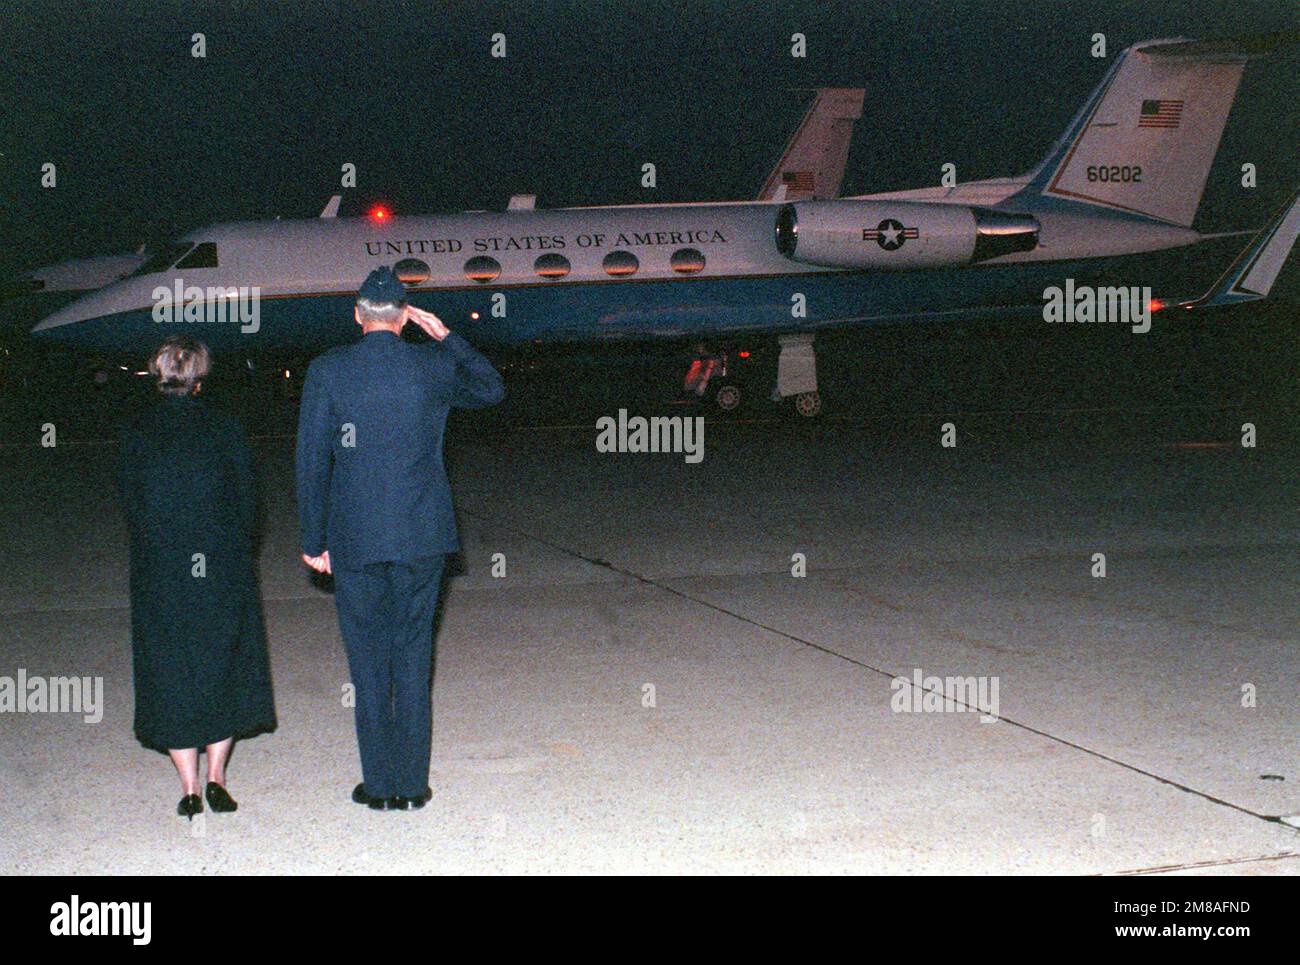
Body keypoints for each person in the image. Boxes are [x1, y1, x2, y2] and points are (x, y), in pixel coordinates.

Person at [296, 266, 504, 811]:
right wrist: (448, 337)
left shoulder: (328, 370)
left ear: (357, 313)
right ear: (405, 315)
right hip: (421, 535)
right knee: (413, 656)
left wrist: (313, 538)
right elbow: (491, 389)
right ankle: (413, 786)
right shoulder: (433, 367)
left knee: (367, 662)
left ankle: (379, 786)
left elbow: (311, 461)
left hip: (356, 538)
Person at [120, 336, 276, 819]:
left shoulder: (136, 430)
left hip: (161, 570)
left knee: (171, 670)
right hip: (219, 565)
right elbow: (248, 502)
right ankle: (216, 777)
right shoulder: (224, 427)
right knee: (221, 664)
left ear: (156, 371)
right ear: (201, 376)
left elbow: (131, 502)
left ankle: (187, 787)